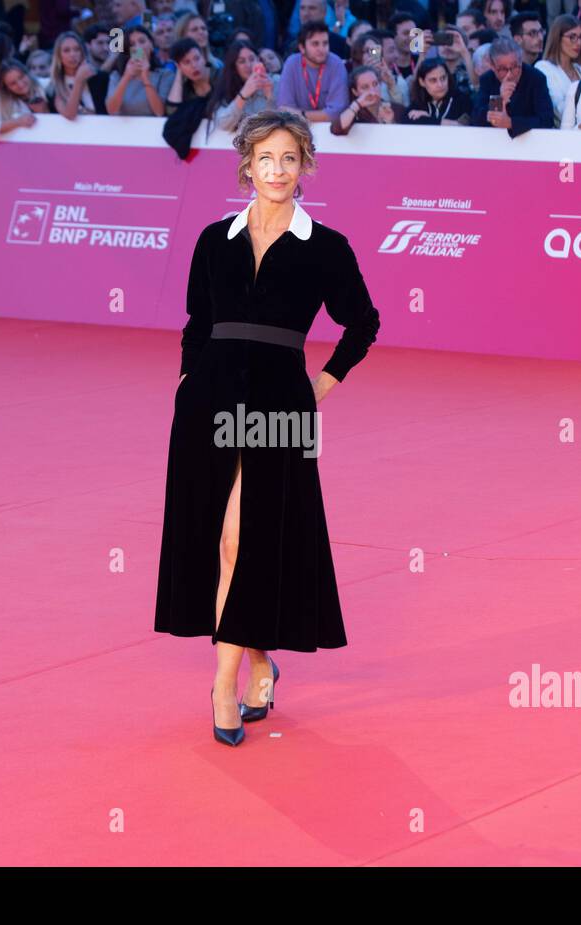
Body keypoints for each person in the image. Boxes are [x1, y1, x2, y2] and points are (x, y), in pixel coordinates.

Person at [155, 108, 380, 745]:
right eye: (264, 160)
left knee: (245, 539)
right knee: (219, 541)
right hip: (208, 400)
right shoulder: (211, 240)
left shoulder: (326, 247)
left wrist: (318, 389)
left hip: (282, 404)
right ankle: (258, 661)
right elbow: (197, 323)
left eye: (288, 159)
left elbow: (363, 323)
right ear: (246, 166)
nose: (276, 171)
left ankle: (221, 685)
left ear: (305, 164)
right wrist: (185, 382)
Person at [471, 34, 556, 134]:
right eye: (503, 69)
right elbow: (476, 120)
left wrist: (511, 123)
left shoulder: (536, 78)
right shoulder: (487, 79)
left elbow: (547, 120)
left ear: (521, 61)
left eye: (515, 67)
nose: (509, 74)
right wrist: (499, 100)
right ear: (493, 67)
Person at [278, 20, 349, 121]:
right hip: (297, 129)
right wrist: (321, 116)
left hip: (330, 131)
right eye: (315, 44)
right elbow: (284, 110)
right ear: (302, 48)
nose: (322, 49)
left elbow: (337, 113)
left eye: (325, 43)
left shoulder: (336, 64)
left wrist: (302, 114)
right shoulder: (291, 63)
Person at [104, 25, 175, 116]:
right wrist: (127, 76)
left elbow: (159, 112)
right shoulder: (116, 76)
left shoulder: (165, 75)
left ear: (151, 45)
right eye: (132, 44)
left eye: (142, 41)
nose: (138, 47)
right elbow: (112, 110)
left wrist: (145, 77)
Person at [536, 13, 581, 123]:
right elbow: (558, 109)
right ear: (557, 38)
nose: (579, 43)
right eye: (572, 37)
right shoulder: (543, 67)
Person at [213, 39, 279, 130]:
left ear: (258, 60)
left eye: (252, 59)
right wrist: (243, 94)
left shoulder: (275, 81)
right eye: (242, 61)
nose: (248, 65)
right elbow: (223, 125)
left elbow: (281, 122)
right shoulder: (226, 86)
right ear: (234, 67)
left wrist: (269, 97)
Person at [0, 57, 47, 137]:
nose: (20, 84)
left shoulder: (44, 85)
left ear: (27, 73)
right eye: (13, 83)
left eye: (21, 77)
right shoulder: (1, 99)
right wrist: (17, 122)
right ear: (6, 88)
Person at [332, 63, 408, 131]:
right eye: (365, 87)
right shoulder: (353, 113)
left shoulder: (395, 109)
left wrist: (391, 123)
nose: (372, 91)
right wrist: (357, 104)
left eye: (375, 84)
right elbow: (337, 128)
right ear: (355, 92)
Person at [404, 55, 473, 123]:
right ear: (422, 82)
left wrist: (429, 120)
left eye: (443, 78)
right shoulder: (418, 102)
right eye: (433, 80)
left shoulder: (462, 100)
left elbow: (464, 127)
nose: (440, 85)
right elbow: (406, 120)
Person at [47, 31, 98, 118]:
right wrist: (78, 80)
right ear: (59, 55)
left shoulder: (98, 78)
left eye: (77, 49)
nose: (72, 54)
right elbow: (70, 114)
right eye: (66, 50)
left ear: (82, 53)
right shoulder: (54, 86)